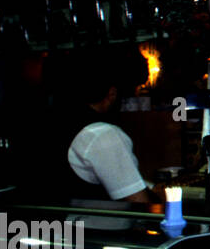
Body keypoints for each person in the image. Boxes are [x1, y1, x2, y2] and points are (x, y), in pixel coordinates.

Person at [59, 55, 166, 209]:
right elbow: (139, 201)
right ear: (112, 93)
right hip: (98, 229)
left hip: (58, 227)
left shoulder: (57, 123)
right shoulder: (102, 134)